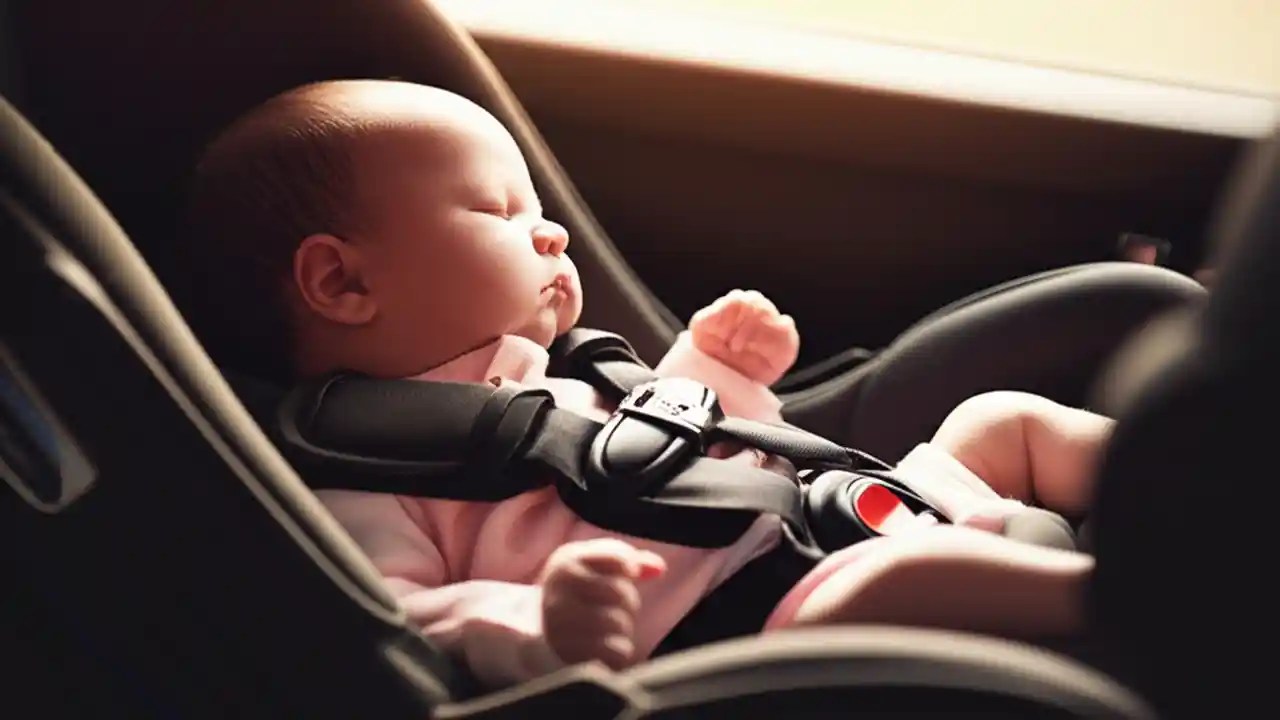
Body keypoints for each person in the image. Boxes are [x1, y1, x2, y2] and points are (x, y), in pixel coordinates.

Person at [181, 79, 1112, 688]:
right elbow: (404, 618)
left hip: (841, 511)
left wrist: (714, 373)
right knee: (913, 572)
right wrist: (545, 628)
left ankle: (1194, 479)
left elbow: (675, 458)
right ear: (344, 283)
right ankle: (1147, 599)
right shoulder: (364, 471)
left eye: (545, 214)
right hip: (760, 629)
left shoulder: (573, 373)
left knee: (1002, 422)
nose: (551, 235)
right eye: (500, 212)